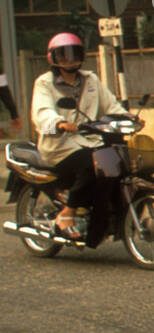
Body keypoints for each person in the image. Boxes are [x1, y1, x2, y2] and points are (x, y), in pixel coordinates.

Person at [31, 32, 128, 237]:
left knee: (116, 160)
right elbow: (41, 113)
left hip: (88, 140)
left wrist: (128, 118)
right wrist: (59, 123)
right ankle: (67, 214)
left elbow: (110, 104)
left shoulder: (90, 79)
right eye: (63, 55)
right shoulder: (44, 83)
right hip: (58, 146)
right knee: (93, 163)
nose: (69, 59)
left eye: (74, 54)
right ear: (53, 58)